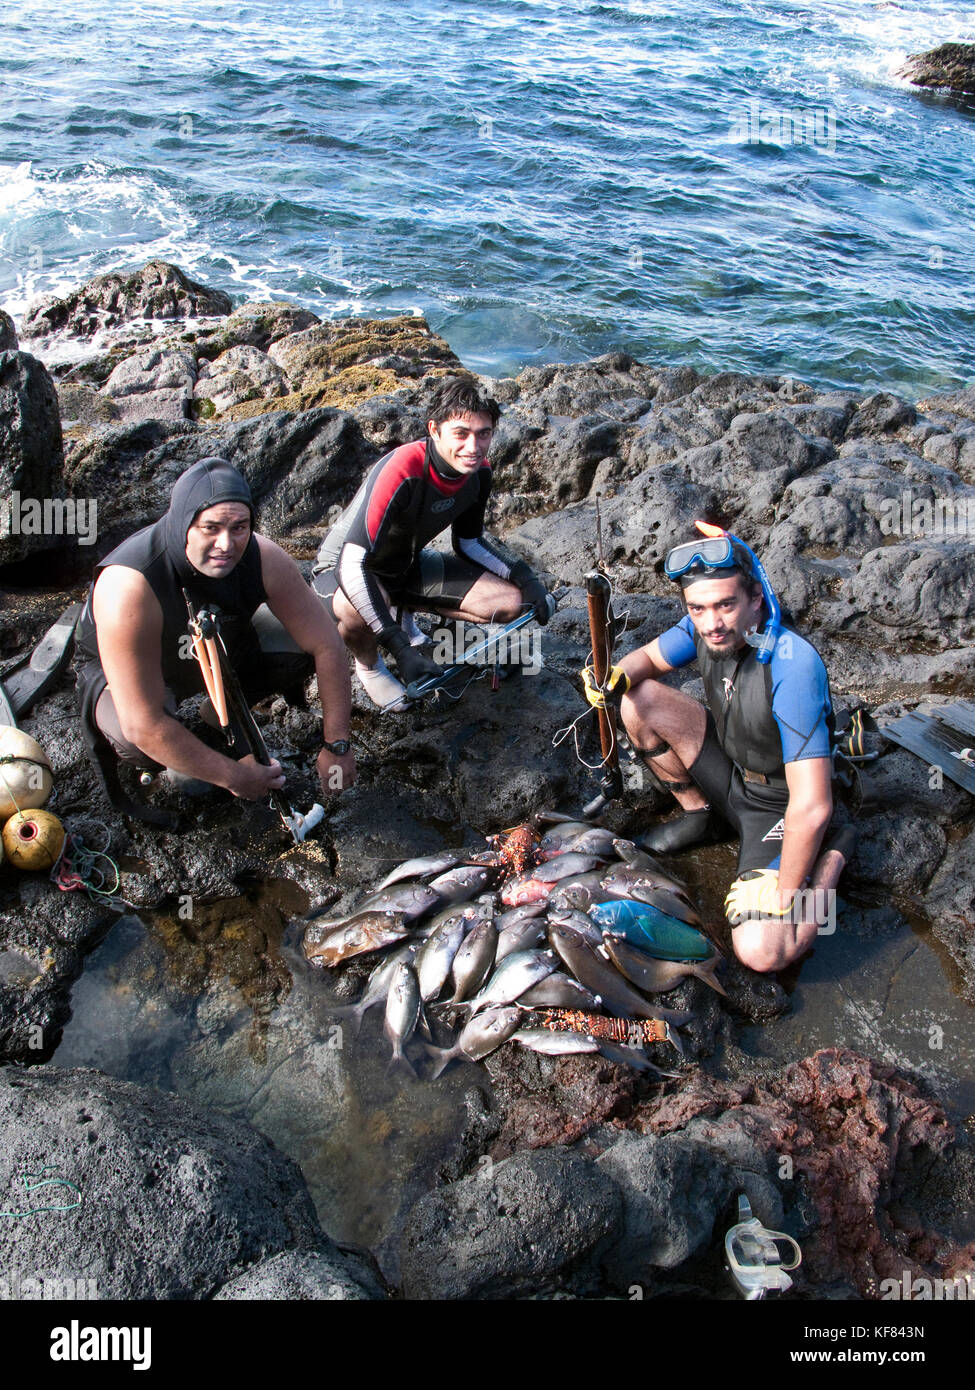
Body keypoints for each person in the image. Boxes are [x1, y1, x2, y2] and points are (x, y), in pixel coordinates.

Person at [582, 525, 854, 974]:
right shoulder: (704, 629)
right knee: (638, 699)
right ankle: (701, 815)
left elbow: (811, 805)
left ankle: (833, 858)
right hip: (731, 771)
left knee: (765, 951)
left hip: (780, 808)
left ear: (756, 600)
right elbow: (646, 660)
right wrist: (613, 676)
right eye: (699, 608)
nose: (712, 623)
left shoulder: (792, 665)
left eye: (726, 605)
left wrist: (784, 892)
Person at [75, 457, 355, 817]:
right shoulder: (129, 584)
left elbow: (327, 645)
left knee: (302, 644)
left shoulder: (262, 555)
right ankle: (178, 744)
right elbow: (142, 724)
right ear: (182, 524)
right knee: (138, 742)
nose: (226, 544)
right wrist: (234, 776)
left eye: (239, 527)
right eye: (210, 528)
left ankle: (215, 713)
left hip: (214, 644)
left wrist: (338, 744)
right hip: (133, 669)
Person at [312, 375, 552, 711]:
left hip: (405, 567)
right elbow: (352, 563)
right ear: (434, 430)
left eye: (484, 433)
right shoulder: (403, 468)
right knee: (357, 608)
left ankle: (403, 610)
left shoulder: (479, 472)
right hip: (342, 572)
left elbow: (468, 542)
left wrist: (526, 578)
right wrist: (399, 648)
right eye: (461, 434)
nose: (473, 446)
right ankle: (369, 665)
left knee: (512, 602)